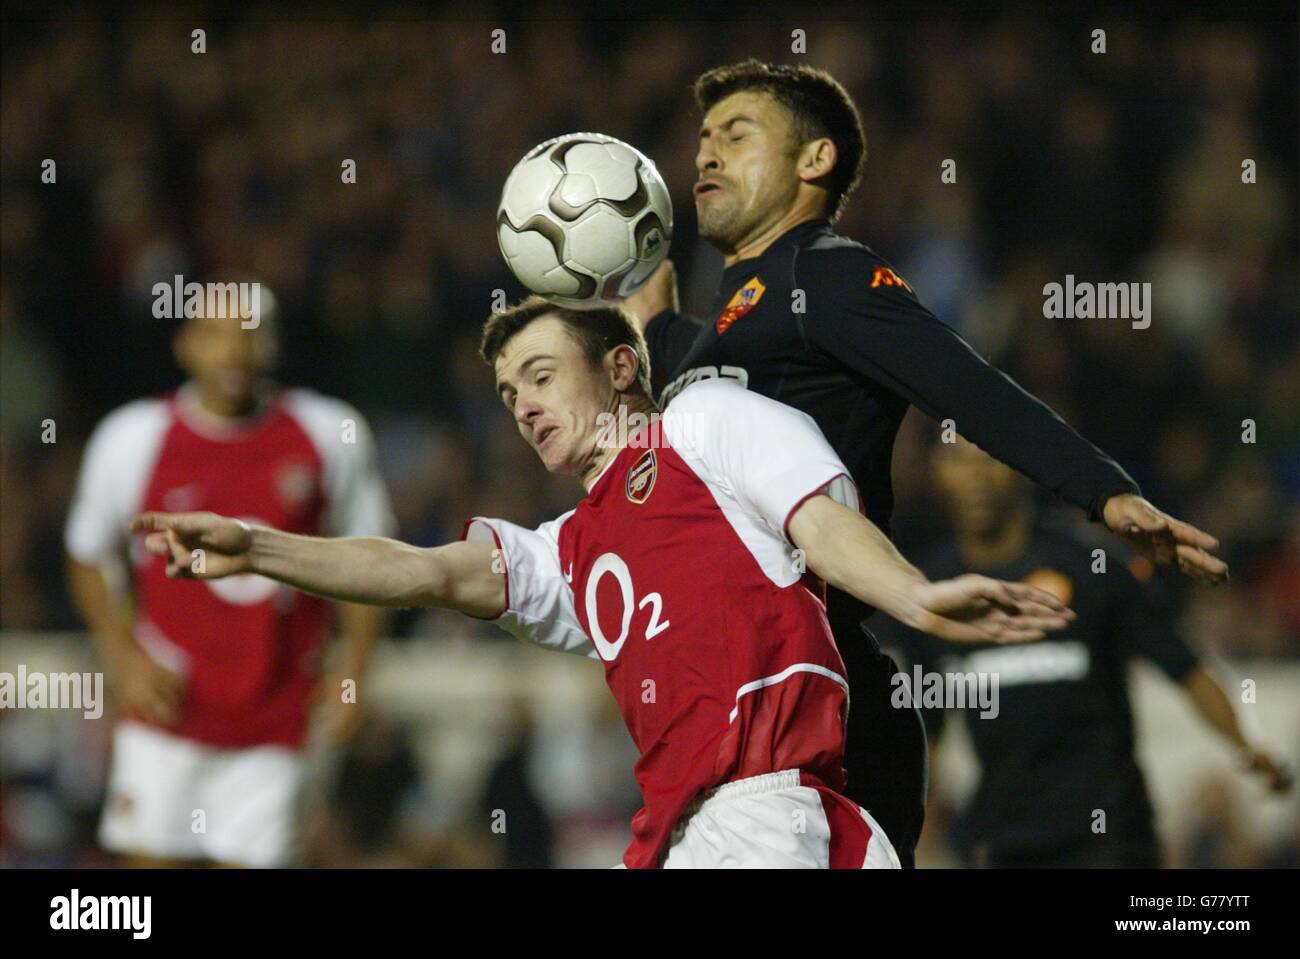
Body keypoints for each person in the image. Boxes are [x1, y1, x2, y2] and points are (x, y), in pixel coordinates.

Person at [131, 297, 1075, 869]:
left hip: (766, 810)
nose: (524, 405)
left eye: (540, 374)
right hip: (675, 834)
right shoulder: (569, 551)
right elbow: (413, 569)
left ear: (623, 367)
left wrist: (914, 595)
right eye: (509, 394)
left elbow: (820, 526)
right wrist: (256, 546)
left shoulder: (703, 425)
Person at [623, 58, 1228, 866]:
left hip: (828, 692)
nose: (704, 155)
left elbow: (968, 387)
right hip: (744, 692)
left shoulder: (827, 274)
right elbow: (724, 382)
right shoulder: (730, 323)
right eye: (701, 140)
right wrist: (654, 332)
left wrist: (1106, 493)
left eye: (736, 135)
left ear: (815, 160)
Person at [65, 288, 395, 867]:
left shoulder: (328, 434)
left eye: (252, 331)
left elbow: (372, 557)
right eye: (217, 333)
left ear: (274, 342)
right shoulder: (133, 437)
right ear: (186, 344)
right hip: (168, 710)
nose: (235, 350)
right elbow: (88, 554)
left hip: (278, 711)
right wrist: (120, 656)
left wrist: (354, 666)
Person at [876, 436, 1291, 867]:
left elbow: (1184, 667)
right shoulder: (931, 588)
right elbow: (930, 723)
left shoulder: (1089, 564)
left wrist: (1249, 743)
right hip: (1006, 842)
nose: (977, 476)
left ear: (1018, 466)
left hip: (1109, 838)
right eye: (959, 461)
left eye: (990, 459)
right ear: (937, 472)